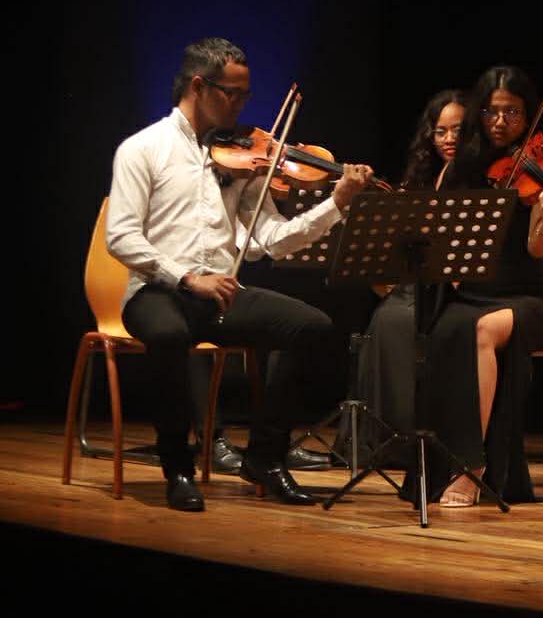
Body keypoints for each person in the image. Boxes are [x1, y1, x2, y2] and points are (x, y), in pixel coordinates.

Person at [105, 37, 374, 511]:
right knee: (168, 336)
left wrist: (336, 204)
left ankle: (265, 458)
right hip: (157, 291)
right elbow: (122, 237)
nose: (242, 106)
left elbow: (270, 239)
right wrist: (187, 278)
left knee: (310, 327)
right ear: (197, 85)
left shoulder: (242, 158)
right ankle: (178, 467)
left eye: (245, 95)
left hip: (222, 292)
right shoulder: (142, 149)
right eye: (233, 93)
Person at [413, 66, 543, 506]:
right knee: (445, 328)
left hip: (532, 298)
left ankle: (471, 466)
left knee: (481, 330)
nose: (501, 122)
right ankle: (440, 462)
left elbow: (538, 251)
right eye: (493, 112)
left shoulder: (541, 172)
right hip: (474, 294)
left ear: (527, 116)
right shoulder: (459, 170)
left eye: (513, 113)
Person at [349, 87, 465, 453]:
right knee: (390, 316)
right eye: (440, 131)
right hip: (419, 285)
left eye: (457, 130)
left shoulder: (480, 175)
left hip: (462, 287)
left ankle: (426, 441)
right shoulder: (423, 178)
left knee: (401, 316)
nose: (447, 139)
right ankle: (389, 440)